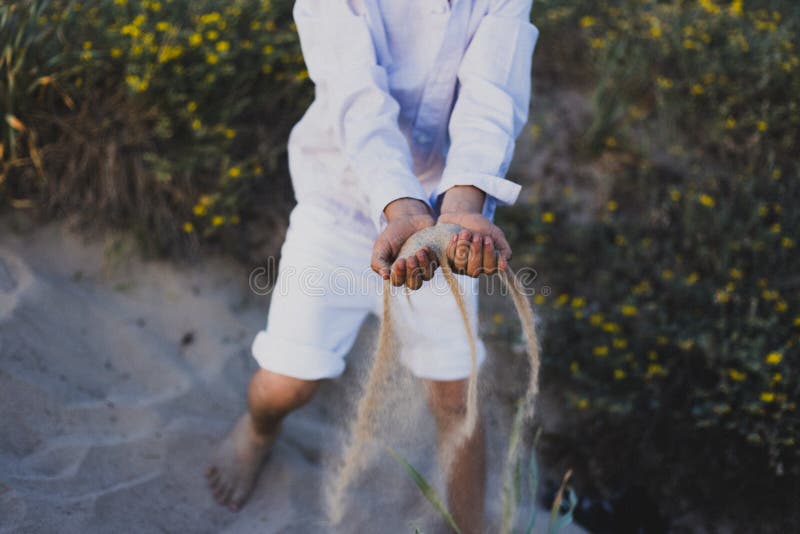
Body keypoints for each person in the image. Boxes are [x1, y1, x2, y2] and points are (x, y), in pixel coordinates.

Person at [205, 0, 538, 530]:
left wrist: (461, 207)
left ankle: (469, 525)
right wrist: (401, 205)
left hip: (445, 227)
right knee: (287, 384)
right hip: (338, 208)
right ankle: (258, 429)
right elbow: (356, 97)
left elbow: (491, 95)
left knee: (456, 396)